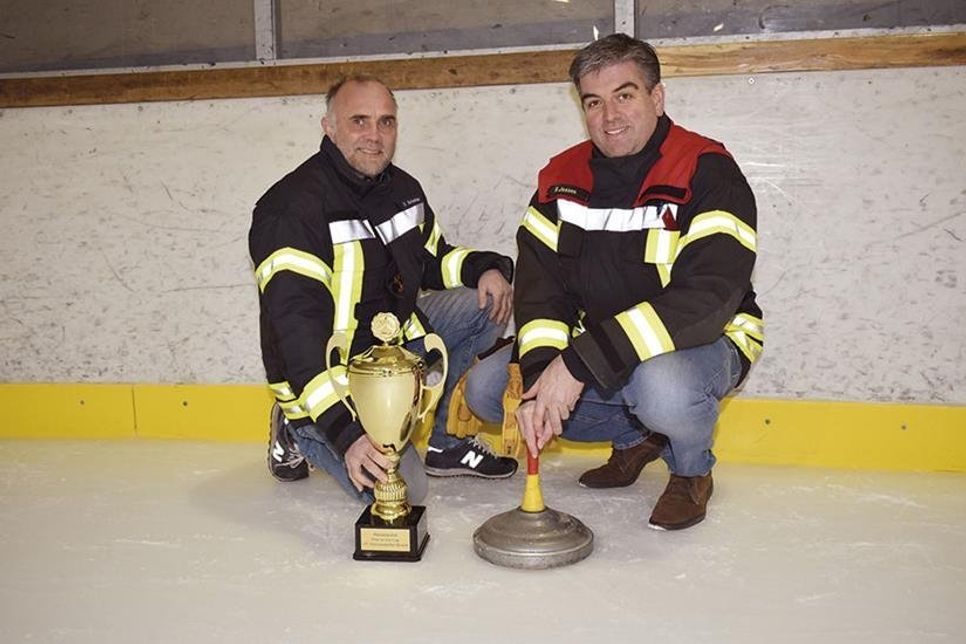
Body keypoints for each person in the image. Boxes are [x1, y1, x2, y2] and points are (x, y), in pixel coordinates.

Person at [463, 34, 763, 531]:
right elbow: (542, 291)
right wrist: (541, 373)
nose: (610, 116)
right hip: (605, 350)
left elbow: (706, 299)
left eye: (625, 95)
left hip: (705, 342)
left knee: (660, 387)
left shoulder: (708, 171)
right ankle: (637, 439)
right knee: (490, 389)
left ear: (657, 97)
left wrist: (579, 364)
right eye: (594, 102)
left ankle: (691, 470)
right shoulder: (559, 177)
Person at [249, 75, 518, 505]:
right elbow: (296, 336)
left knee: (480, 304)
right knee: (403, 494)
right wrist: (346, 433)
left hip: (392, 356)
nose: (375, 136)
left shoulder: (404, 190)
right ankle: (299, 427)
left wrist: (487, 268)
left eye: (386, 122)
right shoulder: (290, 209)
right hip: (327, 380)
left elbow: (432, 260)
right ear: (329, 127)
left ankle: (444, 443)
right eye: (359, 121)